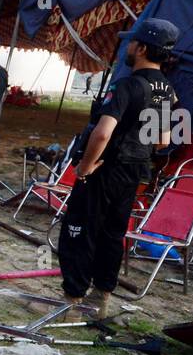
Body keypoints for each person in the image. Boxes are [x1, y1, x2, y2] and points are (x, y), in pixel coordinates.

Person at [56, 17, 181, 318]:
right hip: (134, 171)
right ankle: (102, 299)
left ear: (140, 47)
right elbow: (163, 141)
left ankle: (71, 301)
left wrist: (85, 168)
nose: (127, 46)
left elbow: (102, 133)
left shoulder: (127, 85)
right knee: (113, 233)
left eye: (131, 42)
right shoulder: (167, 89)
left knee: (80, 230)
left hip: (105, 169)